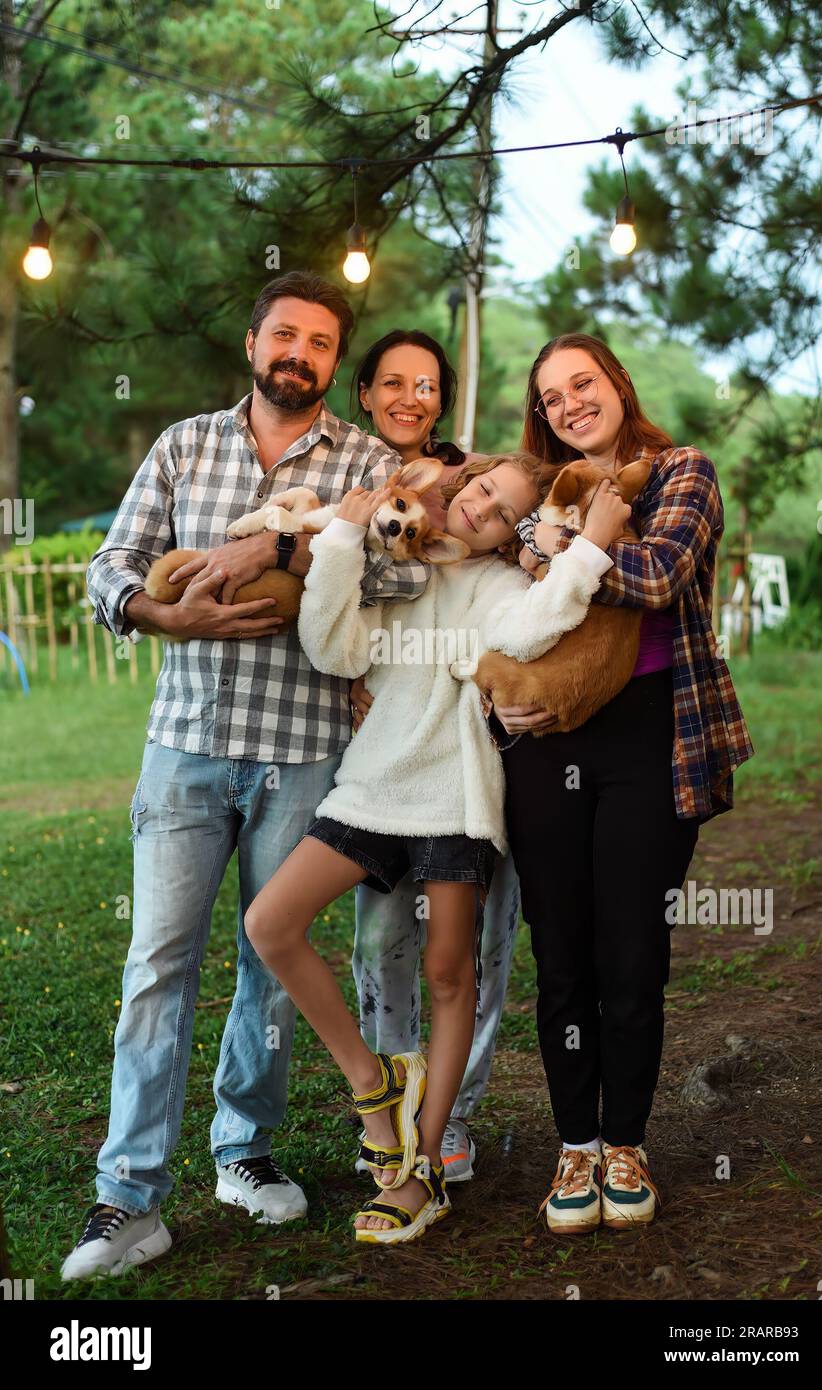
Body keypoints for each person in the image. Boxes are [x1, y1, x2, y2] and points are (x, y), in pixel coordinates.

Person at [62, 271, 430, 1281]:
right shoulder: (184, 444)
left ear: (331, 362)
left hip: (305, 745)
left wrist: (285, 543)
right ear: (253, 342)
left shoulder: (367, 459)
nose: (299, 353)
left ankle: (243, 1152)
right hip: (184, 742)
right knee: (156, 964)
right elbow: (110, 569)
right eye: (286, 334)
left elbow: (401, 581)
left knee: (269, 958)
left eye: (319, 342)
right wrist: (165, 613)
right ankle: (128, 1196)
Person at [243, 451, 631, 1244]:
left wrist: (586, 547)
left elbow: (535, 626)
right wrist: (345, 543)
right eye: (480, 491)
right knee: (269, 925)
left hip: (455, 799)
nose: (479, 510)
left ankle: (422, 1168)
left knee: (449, 974)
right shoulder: (396, 563)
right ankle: (372, 1080)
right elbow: (336, 652)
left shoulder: (499, 587)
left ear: (509, 533)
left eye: (500, 512)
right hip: (371, 787)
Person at [491, 332, 755, 1234]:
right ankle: (573, 1145)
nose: (569, 405)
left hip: (651, 735)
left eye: (582, 384)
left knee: (631, 948)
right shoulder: (540, 493)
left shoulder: (683, 471)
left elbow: (656, 576)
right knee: (559, 946)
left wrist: (568, 553)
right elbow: (513, 594)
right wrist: (562, 547)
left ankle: (624, 1140)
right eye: (552, 397)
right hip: (548, 733)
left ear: (616, 383)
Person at [348, 329, 521, 1183]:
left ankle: (452, 1116)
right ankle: (390, 1102)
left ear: (440, 398)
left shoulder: (468, 477)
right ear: (366, 395)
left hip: (472, 752)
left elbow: (521, 527)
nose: (408, 396)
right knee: (383, 937)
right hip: (378, 752)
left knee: (479, 945)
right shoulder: (345, 477)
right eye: (391, 382)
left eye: (425, 383)